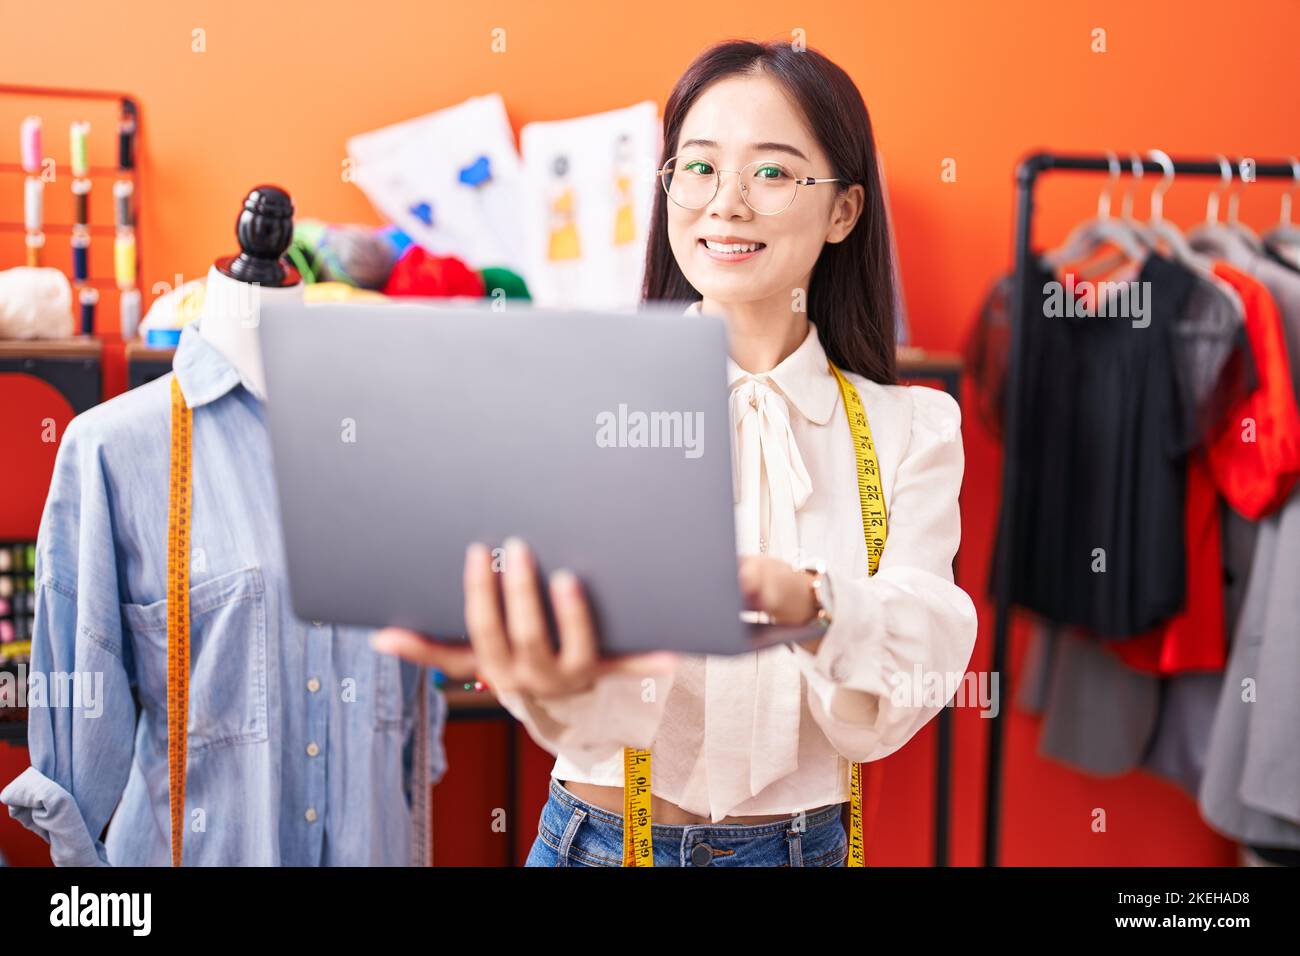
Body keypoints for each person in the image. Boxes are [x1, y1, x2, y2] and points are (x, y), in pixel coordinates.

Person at [373, 38, 978, 867]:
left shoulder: (913, 428)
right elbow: (581, 687)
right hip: (593, 841)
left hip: (803, 849)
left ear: (844, 210)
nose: (724, 203)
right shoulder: (583, 400)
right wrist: (535, 666)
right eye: (698, 168)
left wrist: (809, 602)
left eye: (771, 172)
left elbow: (921, 655)